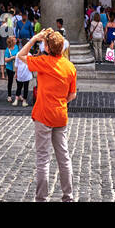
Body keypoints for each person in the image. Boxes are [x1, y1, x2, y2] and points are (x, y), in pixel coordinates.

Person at [18, 28, 77, 201]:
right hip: (61, 115)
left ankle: (41, 198)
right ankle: (68, 196)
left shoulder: (44, 61)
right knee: (64, 157)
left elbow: (21, 56)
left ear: (49, 48)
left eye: (44, 43)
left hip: (44, 114)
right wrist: (60, 102)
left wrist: (35, 38)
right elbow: (72, 95)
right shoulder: (70, 66)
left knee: (43, 159)